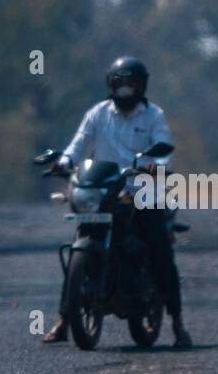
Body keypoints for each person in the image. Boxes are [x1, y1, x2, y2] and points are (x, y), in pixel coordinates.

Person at [44, 56, 192, 348]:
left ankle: (177, 323)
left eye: (131, 84)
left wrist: (156, 165)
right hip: (102, 190)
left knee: (161, 250)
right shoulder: (97, 114)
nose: (125, 90)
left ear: (141, 86)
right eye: (120, 84)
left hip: (142, 192)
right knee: (80, 241)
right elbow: (77, 145)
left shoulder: (153, 116)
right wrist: (63, 162)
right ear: (111, 86)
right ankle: (65, 319)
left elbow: (164, 152)